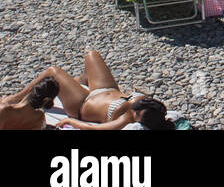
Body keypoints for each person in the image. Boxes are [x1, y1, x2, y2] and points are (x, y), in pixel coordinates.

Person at [6, 51, 174, 129]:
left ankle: (15, 98)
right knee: (91, 55)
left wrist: (71, 122)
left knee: (53, 72)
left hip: (82, 104)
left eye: (137, 113)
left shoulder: (127, 119)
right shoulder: (154, 110)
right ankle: (80, 81)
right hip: (106, 89)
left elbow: (96, 130)